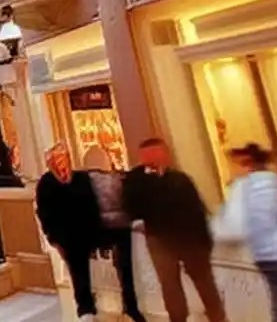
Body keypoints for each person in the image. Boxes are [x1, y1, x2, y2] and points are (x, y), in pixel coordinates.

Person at [123, 138, 226, 322]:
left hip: (189, 238)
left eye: (159, 154)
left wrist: (204, 241)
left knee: (204, 283)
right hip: (160, 238)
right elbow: (132, 207)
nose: (157, 159)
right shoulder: (136, 181)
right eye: (151, 155)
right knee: (171, 286)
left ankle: (217, 318)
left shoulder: (180, 179)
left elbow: (196, 209)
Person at [214, 143, 277, 321]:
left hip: (273, 255)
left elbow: (236, 226)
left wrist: (215, 229)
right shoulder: (272, 182)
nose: (230, 171)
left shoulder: (244, 187)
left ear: (247, 164)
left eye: (233, 165)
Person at [35, 144, 106, 321]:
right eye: (56, 159)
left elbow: (92, 204)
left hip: (88, 230)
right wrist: (54, 239)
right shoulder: (46, 184)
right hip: (67, 237)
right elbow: (45, 214)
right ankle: (86, 310)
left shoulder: (81, 178)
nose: (60, 163)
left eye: (63, 158)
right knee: (78, 267)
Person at [83, 146, 145, 322]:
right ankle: (131, 307)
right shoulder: (117, 179)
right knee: (126, 270)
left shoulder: (83, 183)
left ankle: (91, 305)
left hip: (98, 228)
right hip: (121, 226)